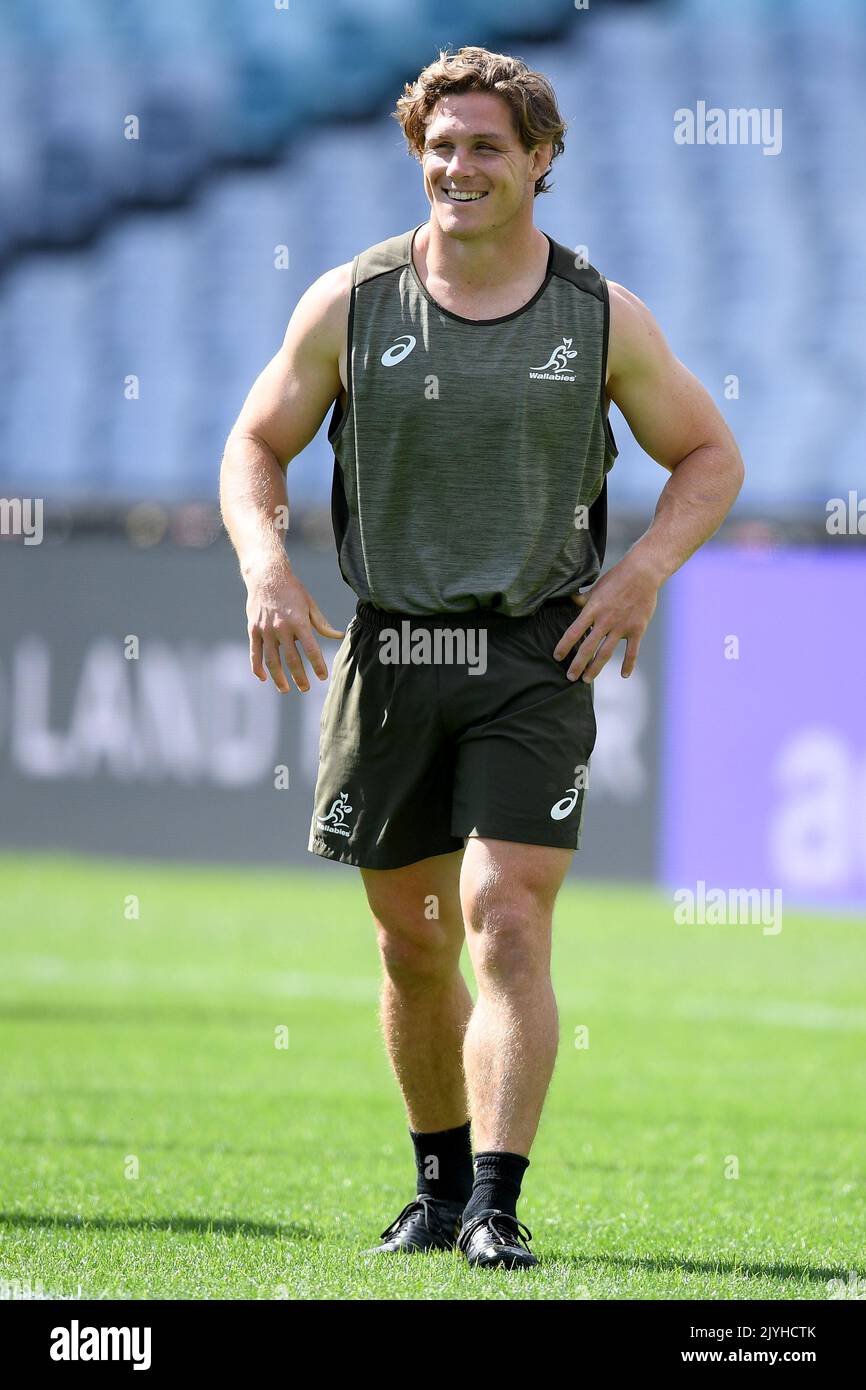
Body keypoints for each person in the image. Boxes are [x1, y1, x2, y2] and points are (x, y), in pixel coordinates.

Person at [219, 46, 744, 1269]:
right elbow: (255, 442)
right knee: (409, 939)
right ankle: (437, 1186)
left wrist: (639, 573)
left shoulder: (597, 313)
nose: (457, 166)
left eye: (485, 147)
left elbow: (708, 456)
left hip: (529, 650)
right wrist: (263, 566)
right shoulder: (350, 301)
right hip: (390, 648)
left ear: (539, 160)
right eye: (440, 146)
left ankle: (498, 1207)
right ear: (419, 154)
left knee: (501, 914)